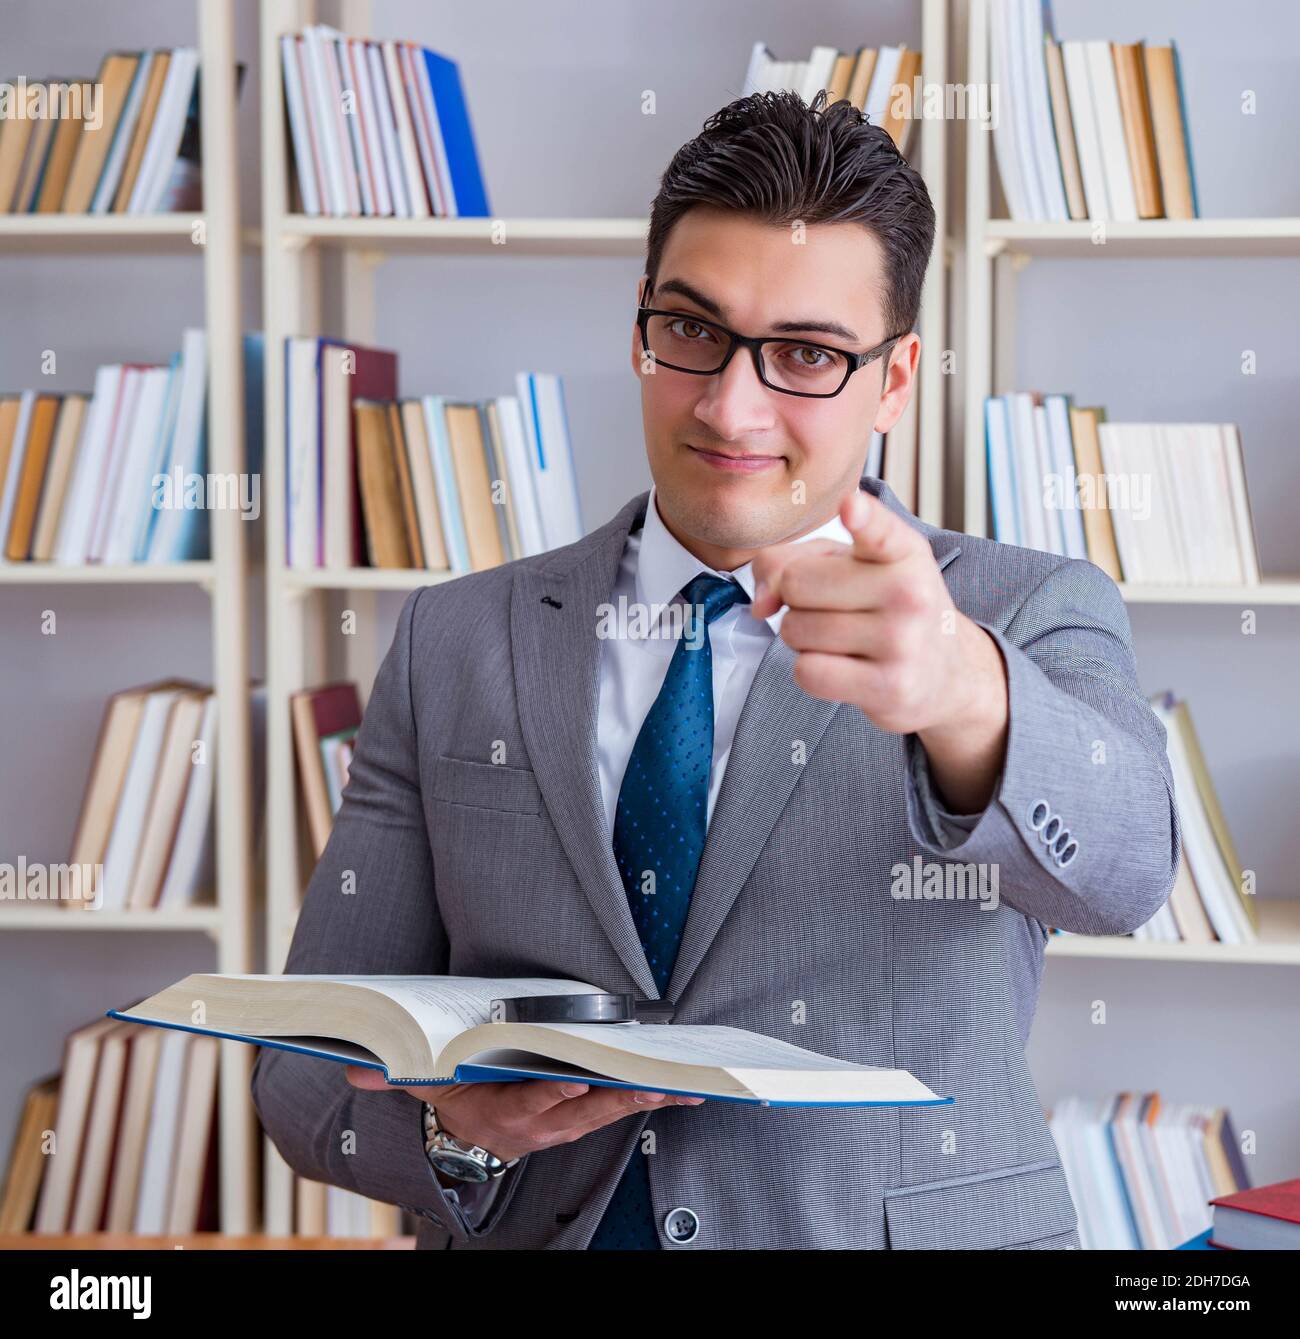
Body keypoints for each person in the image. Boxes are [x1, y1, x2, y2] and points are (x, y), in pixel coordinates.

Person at [251, 90, 1179, 1250]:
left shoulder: (1017, 612)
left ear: (894, 381)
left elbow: (1134, 864)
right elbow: (303, 1078)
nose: (729, 406)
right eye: (691, 329)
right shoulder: (456, 637)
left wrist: (963, 690)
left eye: (804, 353)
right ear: (638, 328)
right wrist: (457, 1130)